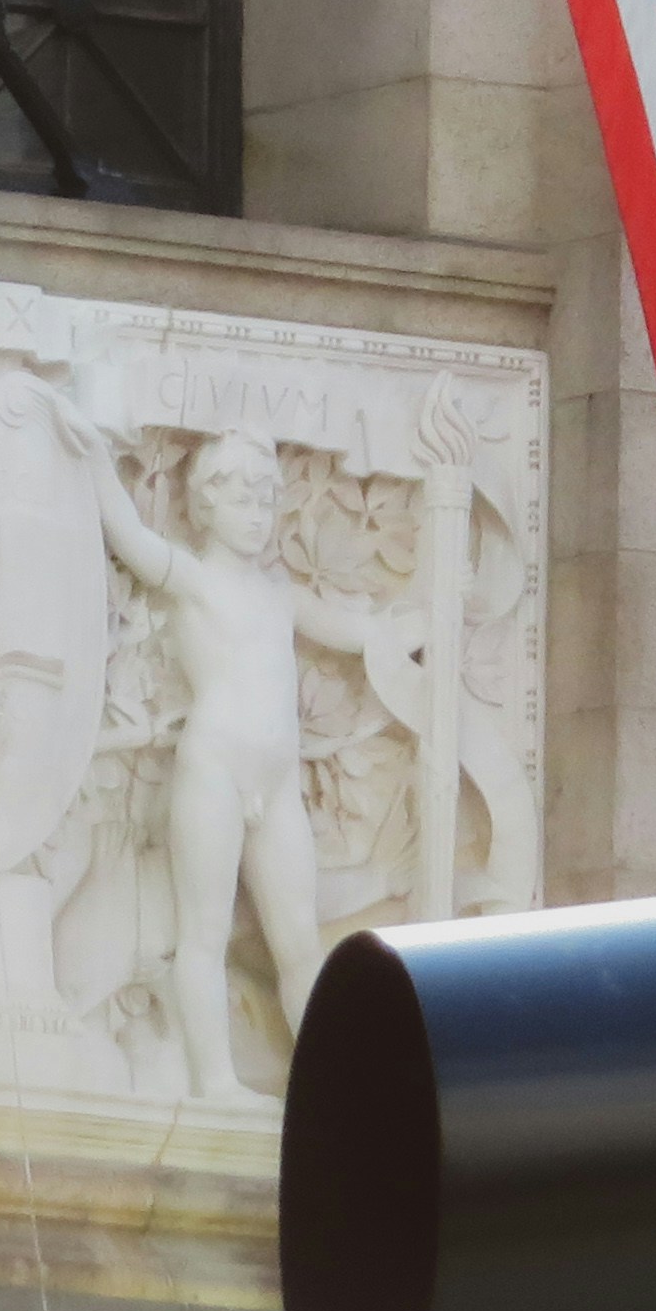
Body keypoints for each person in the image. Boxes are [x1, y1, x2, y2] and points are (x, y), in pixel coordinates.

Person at [90, 430, 400, 1098]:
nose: (258, 514)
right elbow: (127, 535)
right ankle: (216, 1082)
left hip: (277, 781)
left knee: (298, 944)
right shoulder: (195, 580)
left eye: (266, 499)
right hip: (216, 767)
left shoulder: (279, 594)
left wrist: (427, 615)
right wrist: (89, 455)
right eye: (241, 499)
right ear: (203, 506)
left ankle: (330, 1090)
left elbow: (359, 634)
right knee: (202, 932)